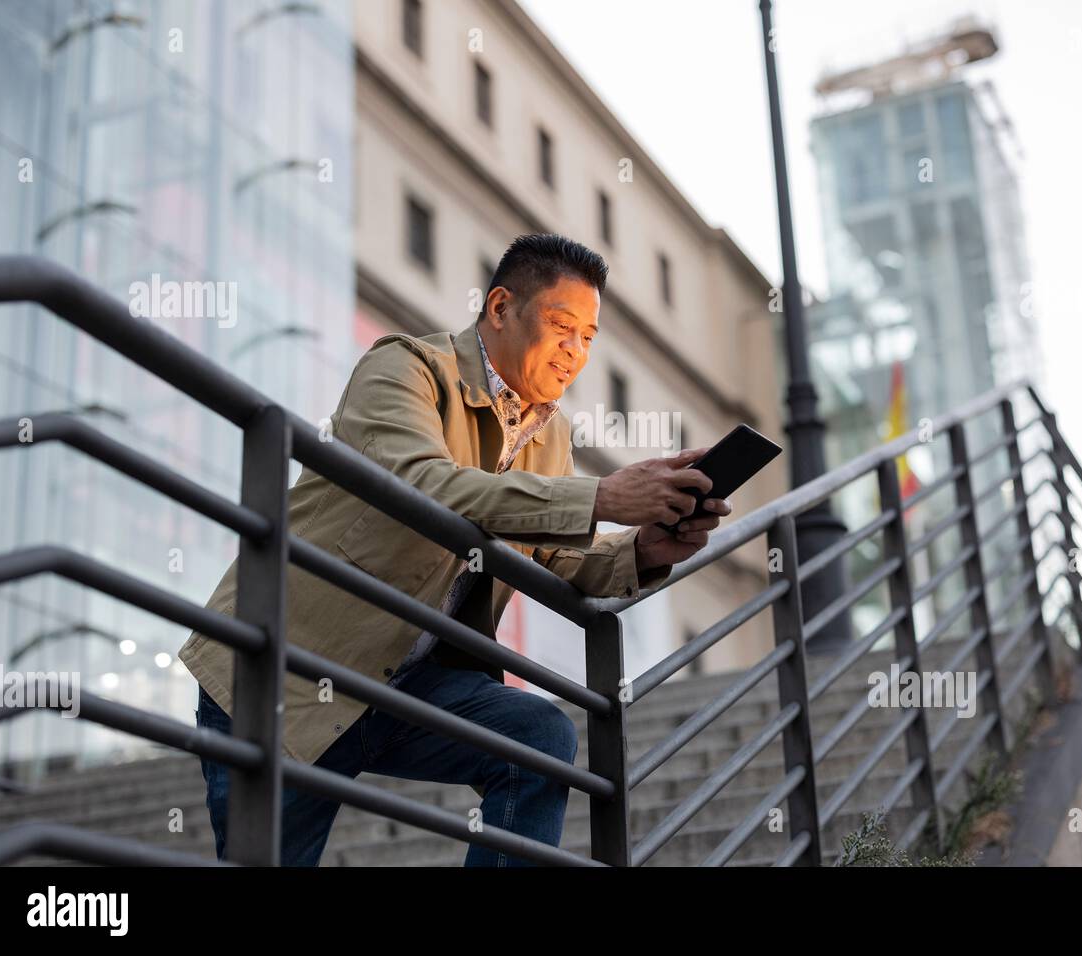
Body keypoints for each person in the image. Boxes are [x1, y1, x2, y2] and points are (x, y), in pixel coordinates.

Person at [179, 233, 731, 865]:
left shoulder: (548, 436)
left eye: (587, 336)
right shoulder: (404, 368)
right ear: (499, 308)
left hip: (403, 684)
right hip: (285, 670)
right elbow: (429, 487)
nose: (574, 352)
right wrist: (601, 497)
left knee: (537, 739)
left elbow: (552, 559)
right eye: (560, 326)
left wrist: (649, 550)